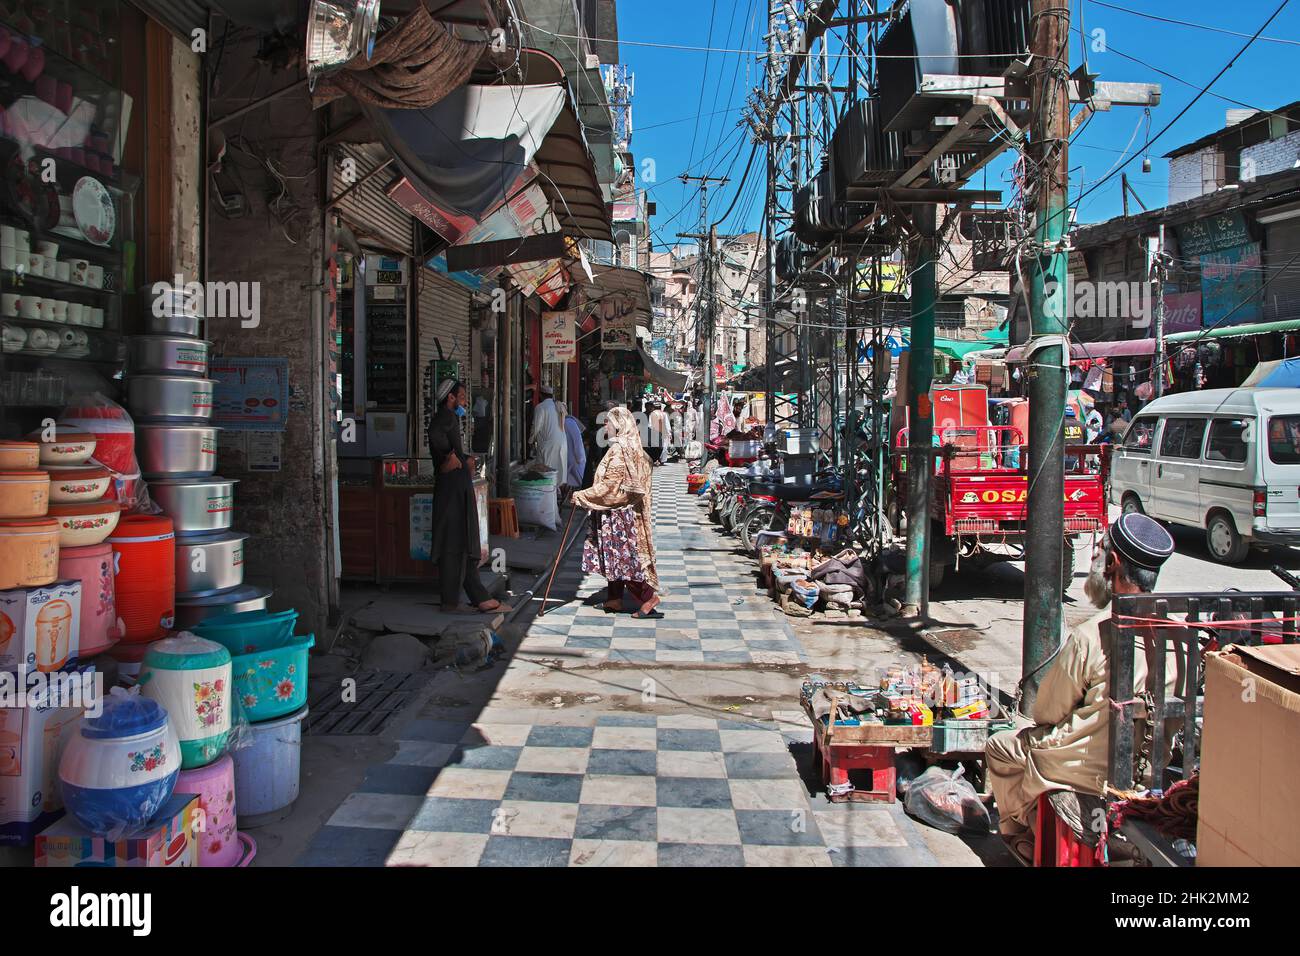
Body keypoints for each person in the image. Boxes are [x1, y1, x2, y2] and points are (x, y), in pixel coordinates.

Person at [985, 513, 1180, 864]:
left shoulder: (1093, 635)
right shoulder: (1176, 636)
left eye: (1103, 552)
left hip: (1084, 772)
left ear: (1114, 563)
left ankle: (1021, 833)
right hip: (1152, 771)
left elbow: (1047, 711)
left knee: (1001, 747)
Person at [427, 380, 509, 614]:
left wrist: (463, 458)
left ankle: (472, 596)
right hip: (453, 489)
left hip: (455, 488)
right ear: (450, 398)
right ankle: (458, 599)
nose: (464, 400)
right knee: (457, 541)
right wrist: (449, 458)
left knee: (460, 542)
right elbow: (434, 434)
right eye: (461, 396)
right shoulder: (447, 416)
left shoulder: (450, 417)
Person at [573, 405, 662, 619]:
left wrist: (582, 496)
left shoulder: (620, 449)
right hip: (618, 513)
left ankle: (648, 597)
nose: (606, 426)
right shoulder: (629, 445)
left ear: (619, 425)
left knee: (624, 559)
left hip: (619, 515)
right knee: (613, 557)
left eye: (608, 422)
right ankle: (614, 598)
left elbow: (612, 486)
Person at [530, 383, 567, 508]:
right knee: (557, 472)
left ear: (540, 395)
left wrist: (529, 441)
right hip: (561, 444)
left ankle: (550, 502)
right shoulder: (558, 406)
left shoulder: (541, 407)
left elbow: (536, 426)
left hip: (548, 445)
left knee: (547, 473)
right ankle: (555, 499)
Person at [559, 401, 586, 503]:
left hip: (571, 458)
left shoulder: (565, 423)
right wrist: (580, 458)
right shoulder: (570, 422)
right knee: (582, 483)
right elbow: (577, 441)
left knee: (571, 482)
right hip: (575, 459)